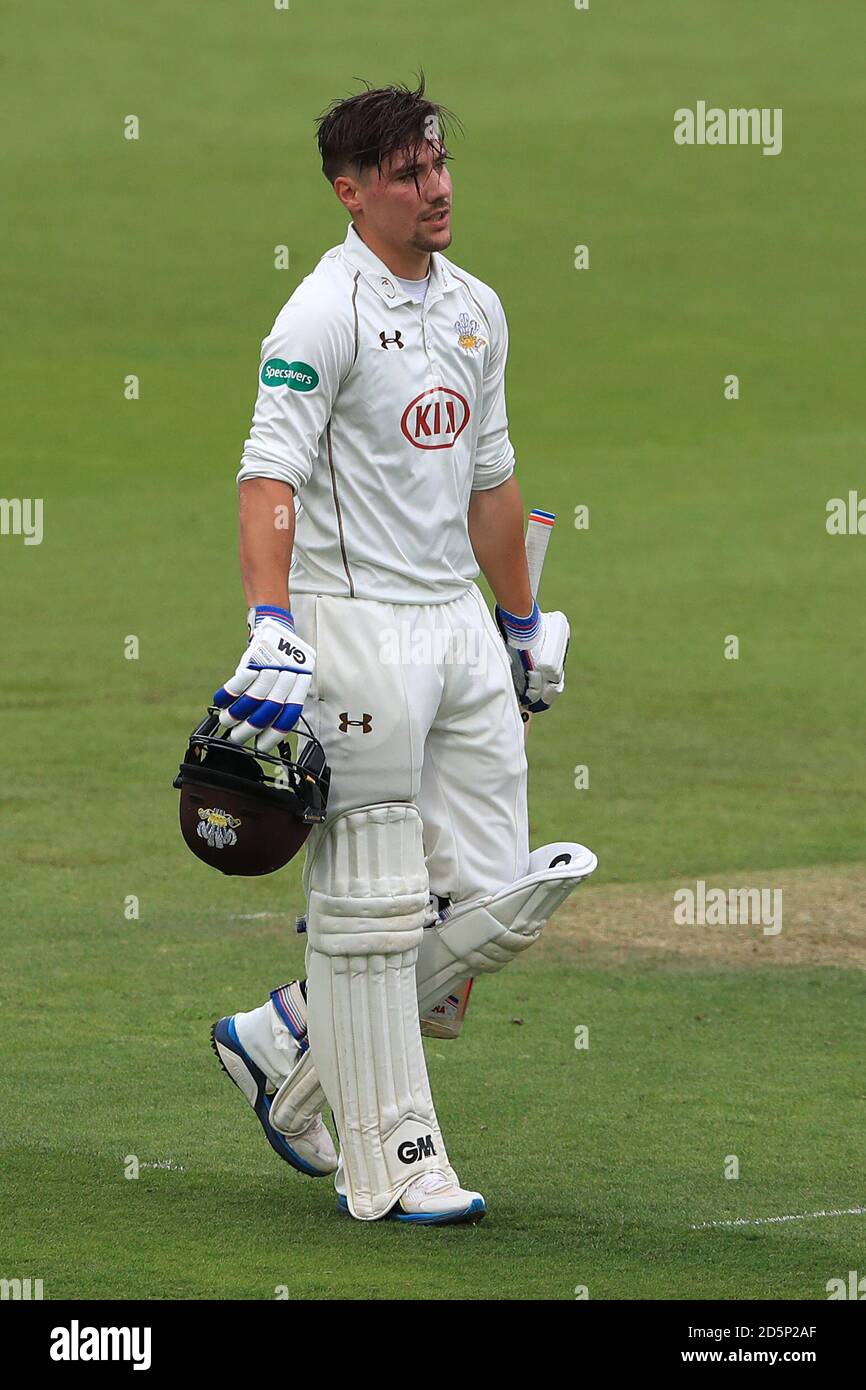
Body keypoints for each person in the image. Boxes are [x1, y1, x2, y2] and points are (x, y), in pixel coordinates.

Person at [209, 79, 578, 1225]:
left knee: (492, 895)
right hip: (353, 623)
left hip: (459, 626)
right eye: (409, 174)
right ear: (350, 191)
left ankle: (290, 1040)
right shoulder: (320, 314)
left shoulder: (475, 307)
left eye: (438, 165)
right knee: (371, 908)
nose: (435, 188)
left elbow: (491, 479)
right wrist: (271, 626)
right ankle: (400, 1162)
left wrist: (520, 621)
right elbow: (266, 475)